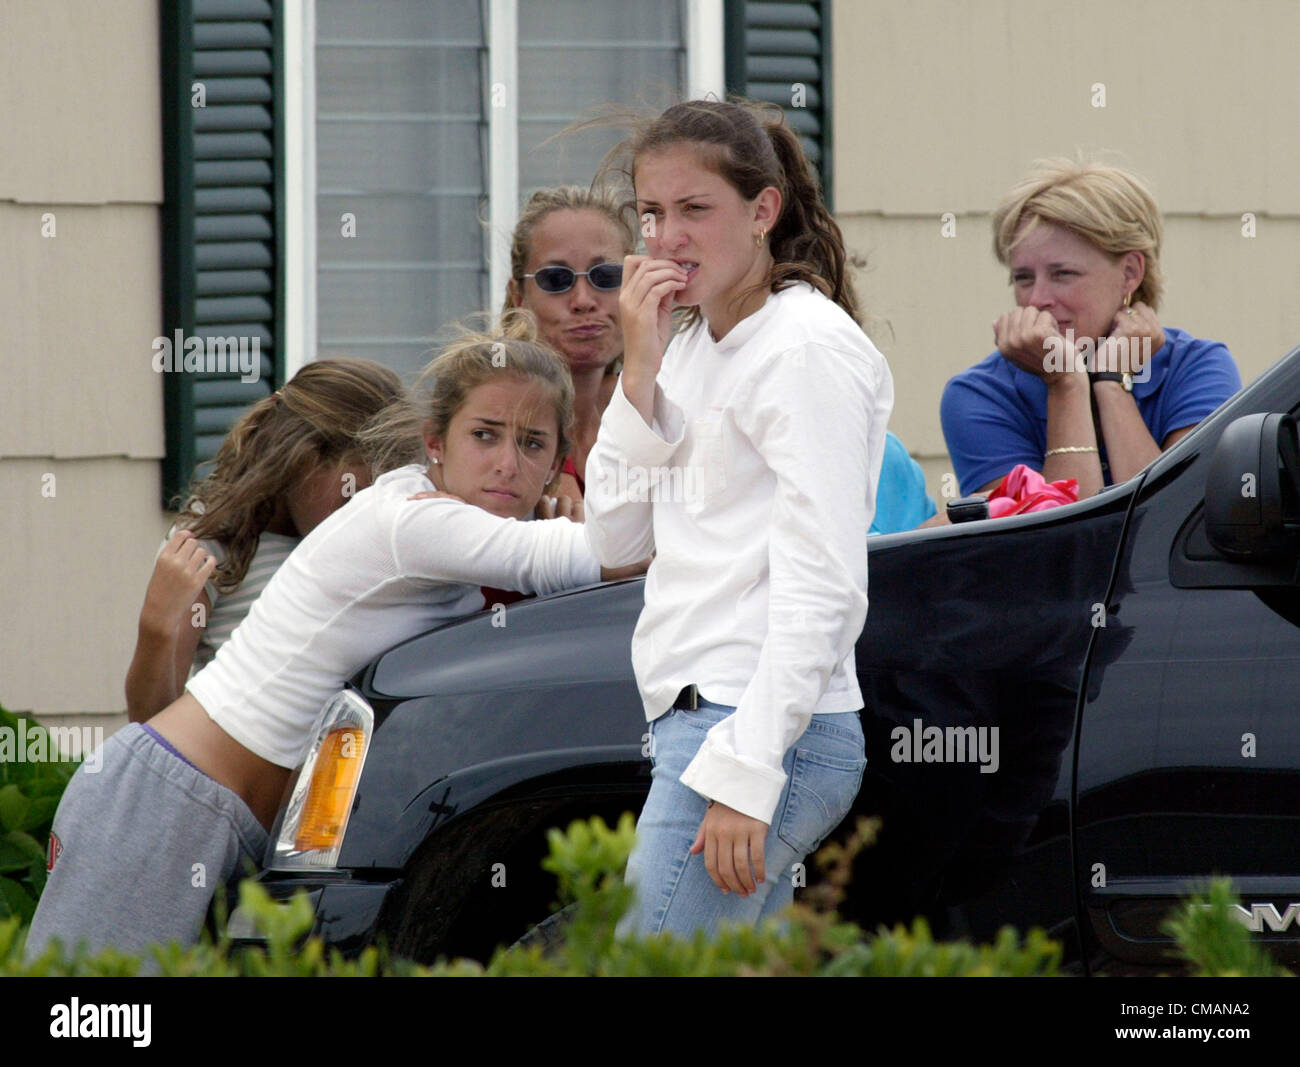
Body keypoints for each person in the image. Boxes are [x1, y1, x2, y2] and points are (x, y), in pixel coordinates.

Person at [26, 318, 617, 962]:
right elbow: (585, 557)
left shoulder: (452, 543)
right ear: (435, 443)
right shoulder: (412, 521)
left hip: (224, 819)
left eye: (533, 444)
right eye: (484, 434)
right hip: (168, 798)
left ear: (558, 462)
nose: (507, 462)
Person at [584, 98, 893, 938]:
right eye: (650, 212)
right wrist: (638, 372)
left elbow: (824, 584)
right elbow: (614, 540)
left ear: (763, 211)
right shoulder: (685, 344)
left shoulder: (805, 349)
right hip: (706, 722)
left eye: (694, 210)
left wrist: (748, 769)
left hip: (753, 730)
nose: (666, 236)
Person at [941, 158, 1241, 500]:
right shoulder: (980, 394)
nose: (1037, 299)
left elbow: (1167, 520)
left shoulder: (1198, 366)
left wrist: (1112, 384)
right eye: (1024, 278)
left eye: (1063, 274)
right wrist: (1065, 383)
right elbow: (1053, 541)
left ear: (1129, 273)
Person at [124, 358, 406, 719]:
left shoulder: (380, 538)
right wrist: (156, 625)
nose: (360, 515)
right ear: (300, 458)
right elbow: (153, 721)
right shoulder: (211, 542)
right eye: (352, 495)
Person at [503, 185, 636, 500]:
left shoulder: (662, 406)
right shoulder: (487, 417)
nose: (583, 301)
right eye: (556, 279)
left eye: (605, 276)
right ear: (519, 297)